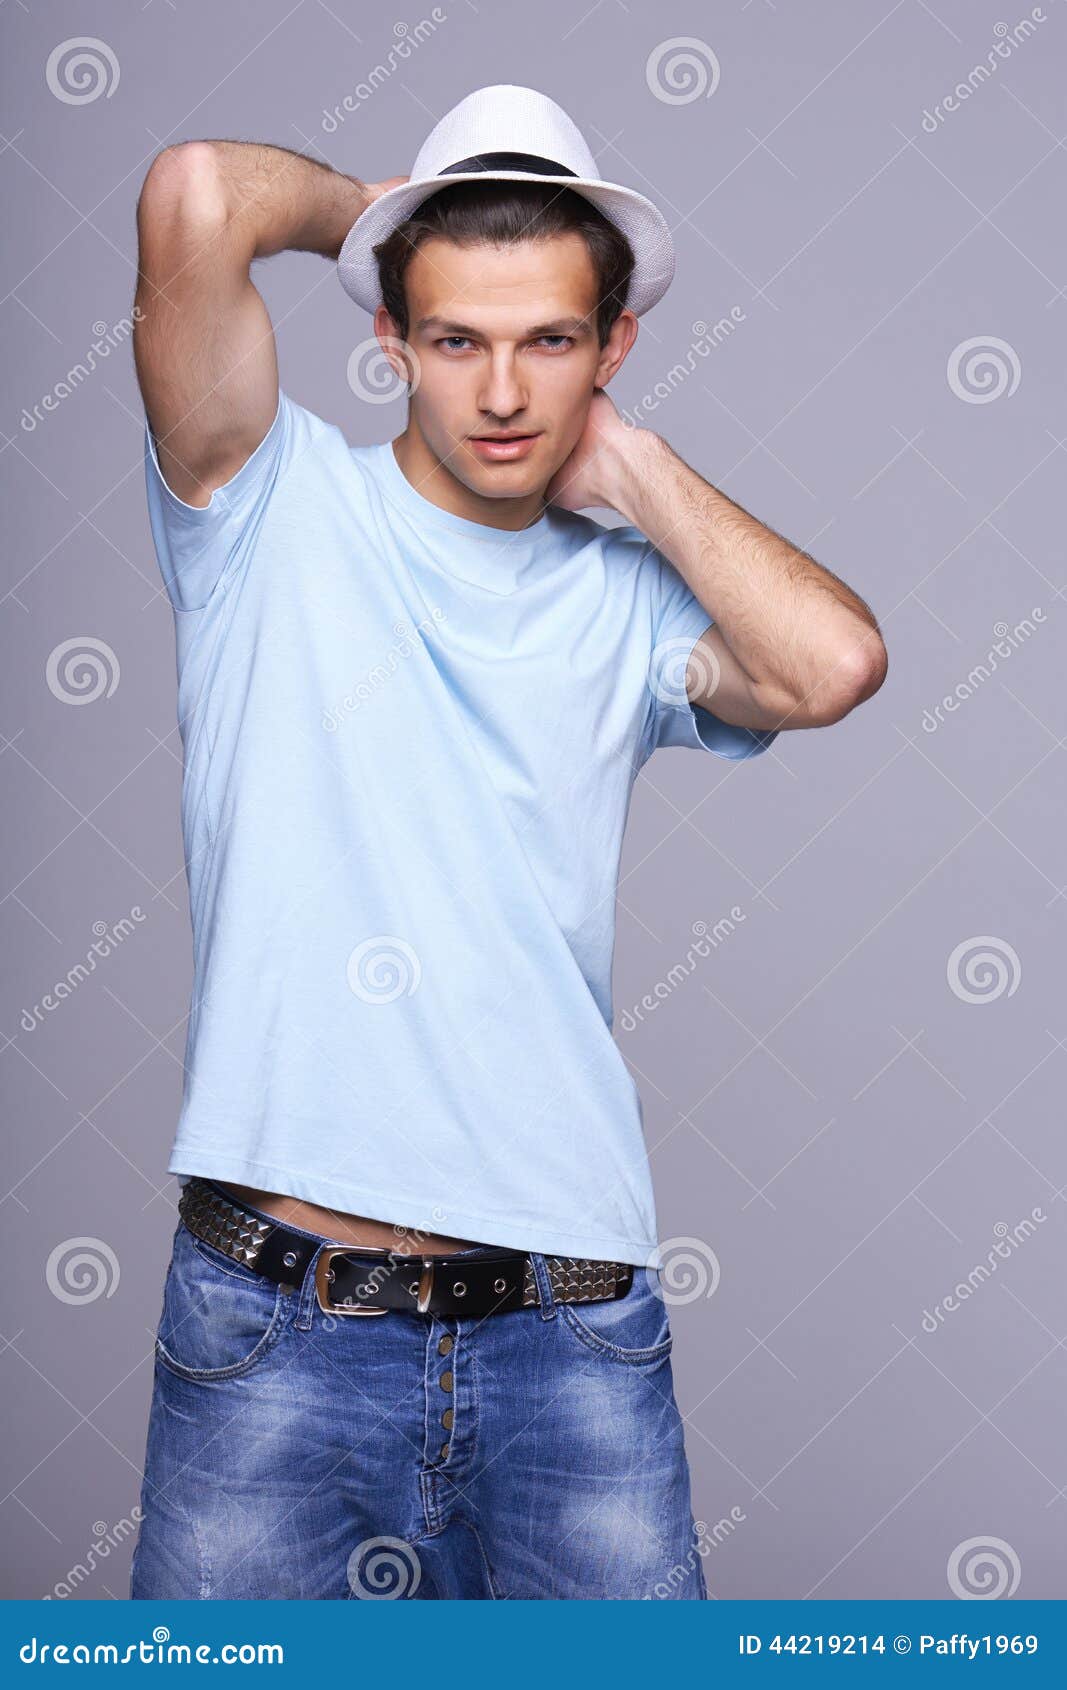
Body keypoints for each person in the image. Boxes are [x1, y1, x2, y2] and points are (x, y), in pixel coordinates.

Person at [128, 84, 886, 1601]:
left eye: (548, 340)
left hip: (566, 1331)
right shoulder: (266, 505)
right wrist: (379, 215)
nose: (499, 391)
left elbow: (834, 665)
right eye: (455, 338)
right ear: (392, 339)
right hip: (275, 1326)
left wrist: (639, 474)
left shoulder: (627, 594)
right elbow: (199, 192)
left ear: (614, 348)